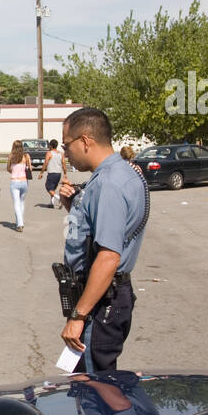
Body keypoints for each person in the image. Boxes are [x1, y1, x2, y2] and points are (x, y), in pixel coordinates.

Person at [55, 107, 149, 372]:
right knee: (96, 381)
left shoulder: (108, 183)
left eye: (67, 145)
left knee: (94, 390)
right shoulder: (124, 172)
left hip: (101, 302)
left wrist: (79, 315)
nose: (66, 152)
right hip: (106, 296)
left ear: (85, 141)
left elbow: (108, 256)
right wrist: (73, 205)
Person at [7, 140, 30, 232]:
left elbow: (8, 168)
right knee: (22, 202)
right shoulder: (25, 156)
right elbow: (28, 168)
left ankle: (20, 223)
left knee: (16, 203)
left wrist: (13, 170)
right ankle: (19, 222)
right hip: (24, 181)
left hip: (14, 181)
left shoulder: (11, 156)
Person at [44, 139, 66, 208]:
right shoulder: (61, 153)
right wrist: (65, 173)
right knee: (53, 188)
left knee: (48, 187)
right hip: (58, 173)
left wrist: (41, 172)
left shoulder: (49, 153)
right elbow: (64, 163)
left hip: (52, 173)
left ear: (50, 145)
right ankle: (51, 203)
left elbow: (46, 163)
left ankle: (60, 199)